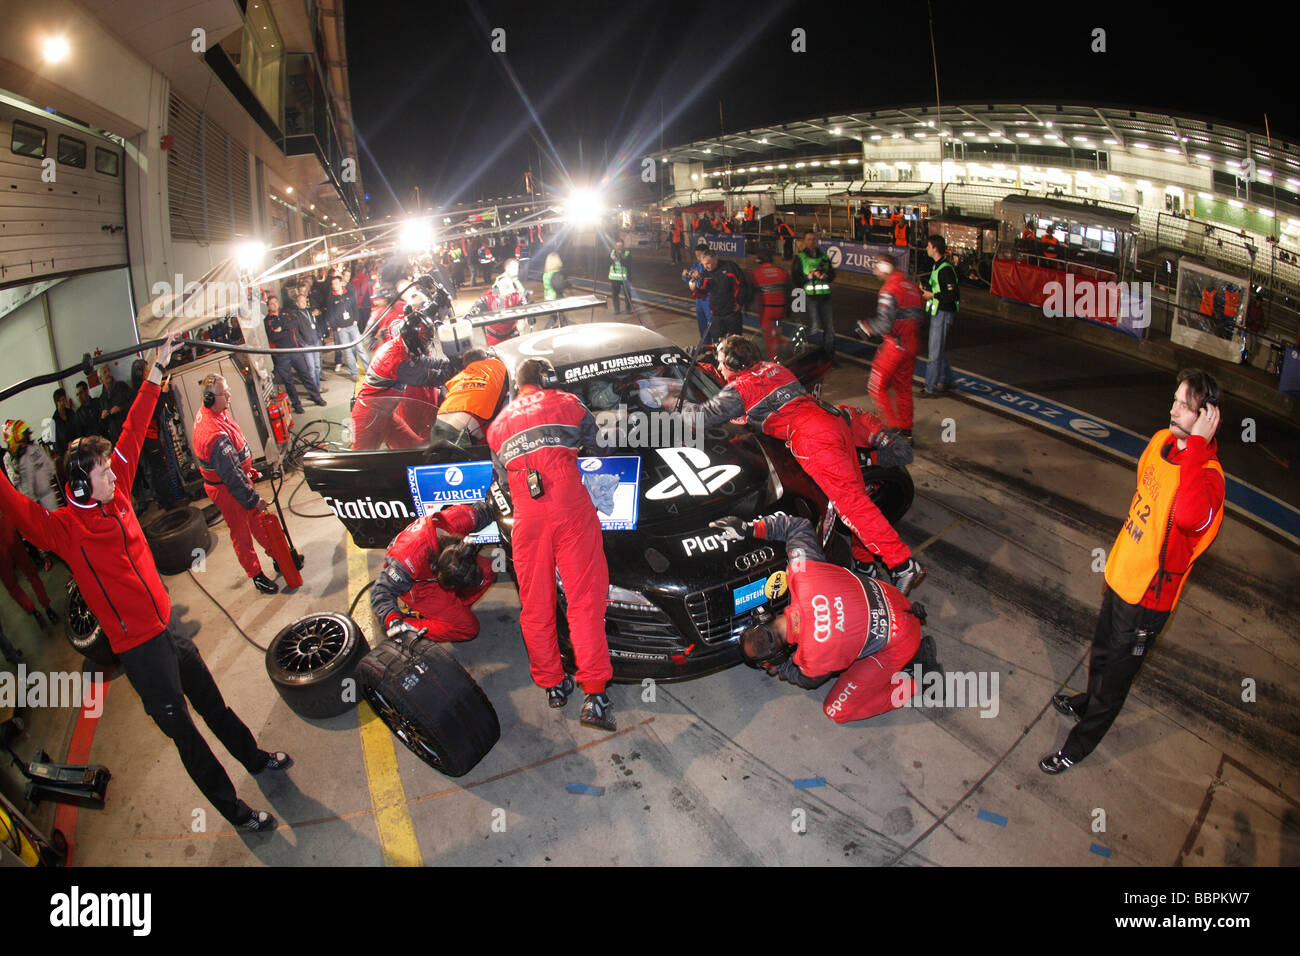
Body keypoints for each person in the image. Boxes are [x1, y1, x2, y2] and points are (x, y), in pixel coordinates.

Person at [0, 334, 289, 832]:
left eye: (112, 469)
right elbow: (19, 509)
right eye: (103, 473)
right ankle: (236, 812)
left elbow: (133, 428)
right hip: (141, 654)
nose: (114, 476)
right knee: (189, 739)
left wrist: (157, 369)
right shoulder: (65, 531)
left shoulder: (117, 496)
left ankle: (256, 758)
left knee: (214, 704)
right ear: (78, 486)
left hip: (168, 630)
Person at [1041, 370, 1225, 775]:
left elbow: (1192, 516)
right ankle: (1085, 701)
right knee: (1101, 653)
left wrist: (1197, 446)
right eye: (1175, 399)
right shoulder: (1162, 441)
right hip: (1122, 575)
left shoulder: (1208, 479)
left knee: (1116, 681)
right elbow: (1145, 484)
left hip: (1148, 601)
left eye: (1185, 406)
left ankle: (1079, 745)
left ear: (1208, 418)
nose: (1173, 409)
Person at [666, 334, 925, 594]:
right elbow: (743, 397)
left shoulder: (740, 390)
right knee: (858, 500)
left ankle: (902, 564)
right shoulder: (774, 368)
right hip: (834, 423)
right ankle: (865, 564)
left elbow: (701, 418)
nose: (720, 368)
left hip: (812, 438)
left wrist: (675, 402)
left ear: (735, 364)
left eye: (722, 363)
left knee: (851, 507)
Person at [486, 358, 615, 731]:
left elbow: (501, 479)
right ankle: (595, 695)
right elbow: (598, 449)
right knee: (584, 601)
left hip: (527, 520)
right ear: (546, 379)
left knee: (536, 604)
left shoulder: (497, 427)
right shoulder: (568, 403)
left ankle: (554, 686)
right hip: (570, 509)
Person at [719, 512, 934, 722]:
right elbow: (798, 526)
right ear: (764, 617)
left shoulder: (812, 659)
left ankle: (917, 679)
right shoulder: (802, 572)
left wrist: (779, 668)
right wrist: (750, 529)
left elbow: (807, 680)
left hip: (902, 638)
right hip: (891, 595)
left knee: (837, 710)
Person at [192, 374, 281, 595]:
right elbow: (231, 475)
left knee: (258, 522)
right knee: (242, 533)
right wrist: (253, 499)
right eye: (225, 392)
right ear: (210, 398)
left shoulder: (215, 413)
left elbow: (233, 460)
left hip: (235, 480)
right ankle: (257, 576)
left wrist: (247, 469)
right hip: (228, 489)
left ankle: (279, 557)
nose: (230, 395)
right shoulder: (214, 434)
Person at [371, 503, 497, 643]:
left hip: (430, 566)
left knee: (488, 570)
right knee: (467, 627)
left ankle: (451, 611)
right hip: (419, 587)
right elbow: (381, 591)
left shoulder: (458, 519)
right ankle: (410, 626)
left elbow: (489, 510)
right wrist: (393, 620)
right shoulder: (409, 560)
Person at [351, 310, 453, 450]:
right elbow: (430, 378)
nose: (426, 343)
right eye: (424, 339)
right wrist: (454, 369)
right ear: (414, 338)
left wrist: (447, 364)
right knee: (362, 463)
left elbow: (423, 361)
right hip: (369, 418)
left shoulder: (400, 346)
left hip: (384, 414)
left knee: (416, 448)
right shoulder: (396, 360)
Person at [860, 259, 924, 440]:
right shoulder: (911, 287)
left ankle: (891, 429)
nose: (874, 271)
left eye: (877, 266)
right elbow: (920, 318)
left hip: (894, 346)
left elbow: (884, 323)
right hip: (911, 344)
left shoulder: (890, 290)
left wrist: (865, 328)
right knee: (903, 388)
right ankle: (905, 431)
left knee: (876, 387)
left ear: (885, 267)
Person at [126, 359, 180, 511]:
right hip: (149, 437)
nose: (149, 371)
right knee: (160, 471)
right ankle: (168, 505)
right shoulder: (140, 391)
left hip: (146, 438)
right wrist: (163, 394)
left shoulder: (135, 391)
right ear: (142, 372)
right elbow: (152, 411)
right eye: (146, 369)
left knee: (157, 471)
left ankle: (165, 501)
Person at [264, 296, 327, 413]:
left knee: (306, 375)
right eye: (271, 304)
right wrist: (285, 330)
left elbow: (294, 324)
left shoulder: (287, 312)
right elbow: (273, 336)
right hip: (282, 355)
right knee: (288, 381)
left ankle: (317, 398)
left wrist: (282, 328)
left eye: (275, 302)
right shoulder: (267, 320)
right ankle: (297, 405)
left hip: (295, 351)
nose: (274, 305)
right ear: (268, 306)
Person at [433, 349, 508, 445]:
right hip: (469, 428)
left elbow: (445, 391)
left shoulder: (458, 377)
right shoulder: (497, 365)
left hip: (440, 421)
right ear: (485, 359)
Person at [0, 508, 58, 629]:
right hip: (5, 527)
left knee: (11, 585)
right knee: (30, 572)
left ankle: (32, 610)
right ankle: (48, 608)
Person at [920, 235, 960, 398]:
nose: (927, 249)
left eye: (928, 246)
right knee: (939, 350)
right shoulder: (938, 267)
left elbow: (953, 295)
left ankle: (930, 387)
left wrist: (932, 295)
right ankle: (948, 380)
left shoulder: (945, 269)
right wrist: (927, 289)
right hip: (939, 312)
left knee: (934, 353)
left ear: (935, 248)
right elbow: (940, 288)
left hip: (943, 313)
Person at [791, 231, 837, 360]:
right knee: (815, 326)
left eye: (813, 239)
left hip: (825, 296)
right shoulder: (800, 258)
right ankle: (814, 356)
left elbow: (832, 274)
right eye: (809, 239)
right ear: (805, 241)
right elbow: (796, 278)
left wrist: (826, 276)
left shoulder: (823, 257)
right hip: (810, 297)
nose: (811, 242)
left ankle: (829, 355)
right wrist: (810, 276)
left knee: (829, 327)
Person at [693, 248, 749, 339]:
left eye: (707, 263)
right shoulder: (706, 273)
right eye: (703, 264)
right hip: (716, 314)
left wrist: (740, 303)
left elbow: (743, 285)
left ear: (715, 260)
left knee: (735, 342)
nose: (706, 267)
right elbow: (703, 293)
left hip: (732, 313)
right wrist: (695, 289)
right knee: (718, 343)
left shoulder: (730, 267)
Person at [6, 421, 60, 512]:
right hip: (48, 495)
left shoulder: (23, 458)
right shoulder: (36, 449)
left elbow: (27, 488)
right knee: (55, 519)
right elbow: (51, 468)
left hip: (37, 502)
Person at [751, 244, 790, 360]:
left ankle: (775, 362)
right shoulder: (782, 272)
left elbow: (750, 293)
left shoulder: (756, 274)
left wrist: (744, 305)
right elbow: (790, 292)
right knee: (777, 333)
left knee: (769, 338)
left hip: (767, 313)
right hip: (780, 313)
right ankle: (787, 348)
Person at [324, 273, 362, 381]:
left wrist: (355, 319)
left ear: (341, 283)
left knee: (358, 347)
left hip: (351, 324)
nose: (334, 285)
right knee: (346, 350)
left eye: (336, 283)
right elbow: (330, 313)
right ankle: (352, 371)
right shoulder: (331, 296)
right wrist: (335, 326)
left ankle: (363, 366)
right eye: (333, 284)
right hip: (341, 327)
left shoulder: (349, 291)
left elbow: (354, 306)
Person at [288, 291, 324, 392]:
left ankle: (318, 386)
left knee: (317, 366)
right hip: (307, 344)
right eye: (301, 301)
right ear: (297, 303)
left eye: (305, 301)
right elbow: (296, 331)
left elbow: (319, 313)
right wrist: (302, 343)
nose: (304, 303)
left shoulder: (309, 311)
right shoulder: (296, 315)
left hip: (315, 341)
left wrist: (319, 335)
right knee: (311, 368)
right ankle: (314, 390)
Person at [682, 240, 713, 342]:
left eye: (700, 256)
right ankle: (706, 347)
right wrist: (685, 275)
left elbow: (712, 280)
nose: (698, 258)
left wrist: (700, 277)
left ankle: (717, 348)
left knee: (711, 324)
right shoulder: (696, 265)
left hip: (709, 298)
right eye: (696, 256)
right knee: (702, 324)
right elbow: (688, 278)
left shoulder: (710, 265)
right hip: (699, 299)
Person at [96, 364, 133, 443]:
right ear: (100, 379)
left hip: (130, 432)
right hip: (116, 439)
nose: (108, 374)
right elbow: (101, 427)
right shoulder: (101, 399)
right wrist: (102, 418)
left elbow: (134, 403)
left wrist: (121, 408)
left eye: (108, 371)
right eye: (105, 372)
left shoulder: (122, 386)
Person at [51, 388, 80, 460]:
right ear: (56, 403)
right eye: (59, 401)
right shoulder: (54, 421)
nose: (62, 403)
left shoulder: (71, 413)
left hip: (78, 448)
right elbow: (56, 445)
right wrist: (66, 448)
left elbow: (78, 429)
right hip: (67, 455)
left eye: (63, 399)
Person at [608, 239, 633, 314]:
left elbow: (628, 263)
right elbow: (607, 263)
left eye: (620, 246)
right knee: (615, 294)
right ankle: (616, 309)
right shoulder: (612, 252)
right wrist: (612, 259)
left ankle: (628, 309)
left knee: (627, 294)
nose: (619, 247)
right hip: (614, 278)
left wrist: (619, 258)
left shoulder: (627, 253)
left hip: (625, 277)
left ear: (623, 246)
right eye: (617, 246)